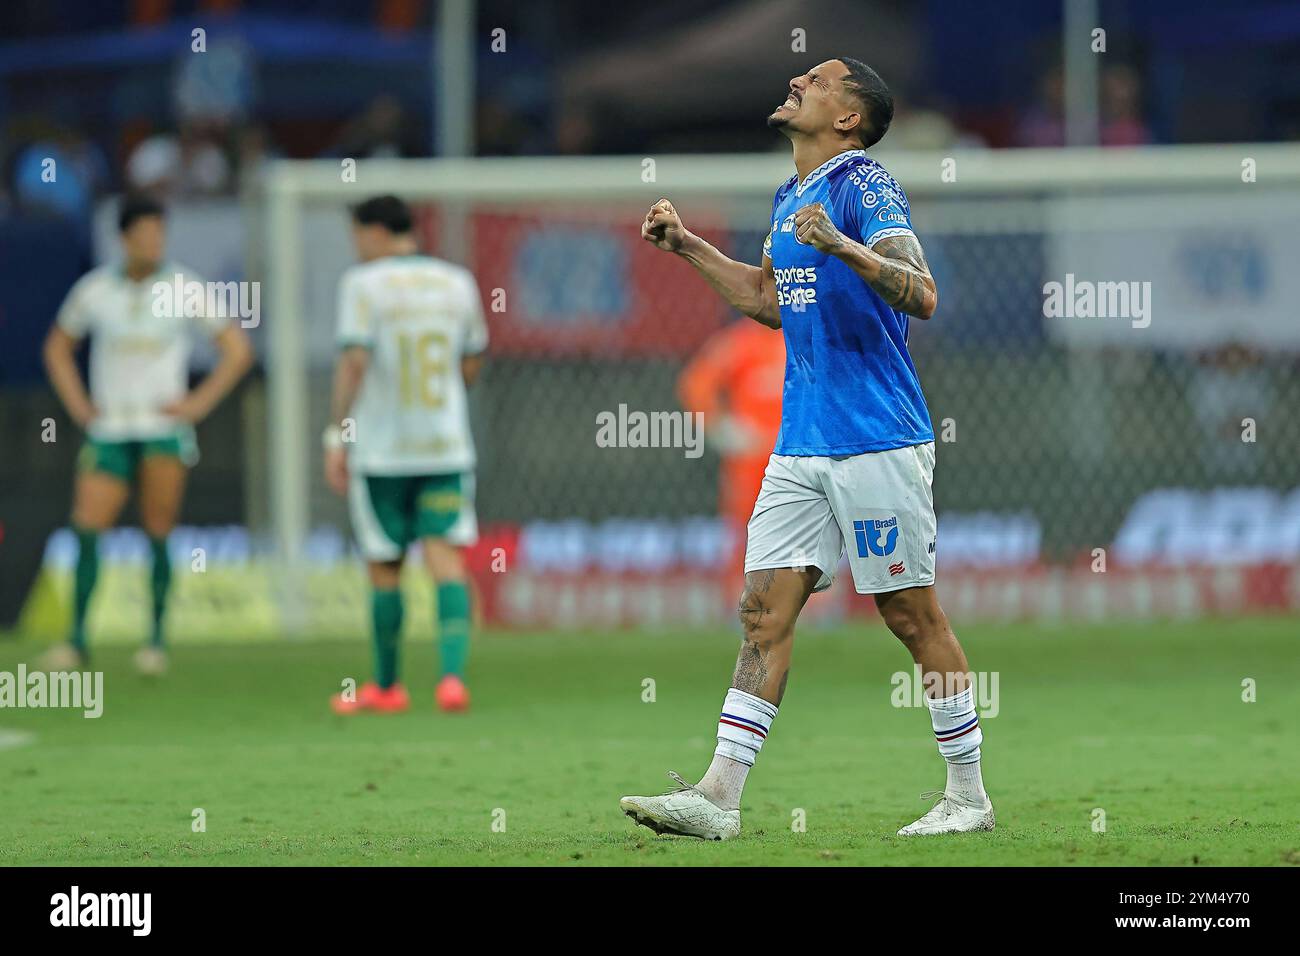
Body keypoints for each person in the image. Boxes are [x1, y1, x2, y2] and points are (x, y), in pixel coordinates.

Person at [620, 58, 993, 838]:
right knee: (763, 613)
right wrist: (686, 245)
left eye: (818, 80)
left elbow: (922, 293)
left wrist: (843, 245)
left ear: (850, 117)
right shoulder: (790, 195)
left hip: (876, 439)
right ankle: (718, 798)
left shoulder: (864, 184)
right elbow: (767, 299)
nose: (797, 80)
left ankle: (967, 798)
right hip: (800, 446)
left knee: (910, 615)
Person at [41, 194, 253, 673]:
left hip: (162, 429)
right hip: (110, 429)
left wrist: (198, 404)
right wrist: (78, 406)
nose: (153, 242)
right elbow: (56, 348)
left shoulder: (184, 286)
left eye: (159, 232)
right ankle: (76, 639)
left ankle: (155, 640)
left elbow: (237, 350)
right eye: (144, 233)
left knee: (159, 529)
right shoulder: (95, 290)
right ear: (124, 238)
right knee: (87, 526)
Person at [325, 196, 487, 715]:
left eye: (357, 236)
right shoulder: (457, 282)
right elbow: (471, 363)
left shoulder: (361, 284)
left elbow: (354, 362)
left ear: (373, 232)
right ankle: (452, 681)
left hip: (382, 451)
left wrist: (336, 435)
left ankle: (388, 686)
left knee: (384, 565)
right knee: (446, 558)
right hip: (444, 447)